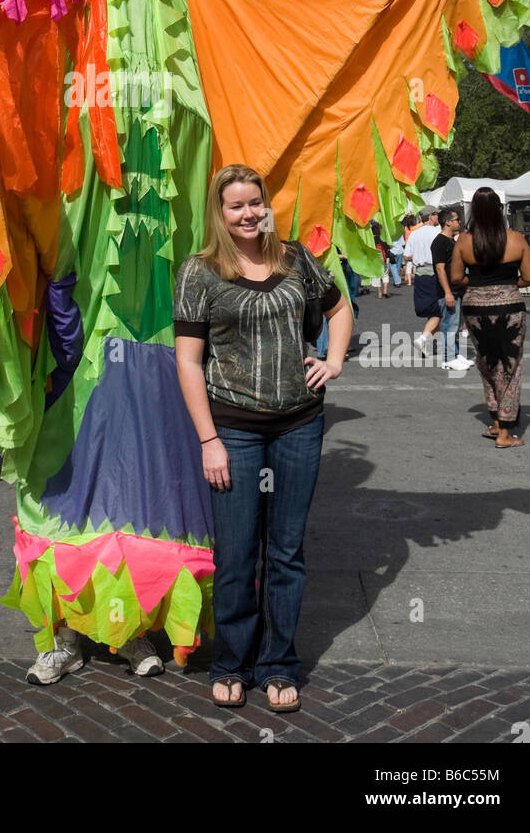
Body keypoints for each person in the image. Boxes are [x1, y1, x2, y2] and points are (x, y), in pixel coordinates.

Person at [174, 164, 353, 711]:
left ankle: (277, 664)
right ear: (219, 212)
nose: (249, 213)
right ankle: (230, 663)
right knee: (236, 554)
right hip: (234, 429)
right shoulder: (199, 272)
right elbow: (187, 361)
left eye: (256, 203)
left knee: (286, 552)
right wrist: (209, 440)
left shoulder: (297, 258)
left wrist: (334, 361)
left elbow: (340, 307)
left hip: (300, 423)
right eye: (237, 206)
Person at [450, 188, 530, 448]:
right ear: (500, 209)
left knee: (487, 364)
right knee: (510, 365)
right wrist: (507, 285)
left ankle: (496, 421)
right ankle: (506, 431)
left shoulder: (463, 241)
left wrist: (476, 285)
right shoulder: (516, 239)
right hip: (510, 306)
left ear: (473, 211)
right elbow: (529, 278)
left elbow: (456, 278)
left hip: (475, 308)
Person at [431, 205, 473, 372]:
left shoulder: (450, 240)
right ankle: (448, 358)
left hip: (457, 289)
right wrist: (447, 292)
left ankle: (455, 354)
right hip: (449, 291)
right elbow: (440, 268)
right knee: (450, 325)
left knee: (455, 325)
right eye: (456, 220)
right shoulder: (440, 242)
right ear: (447, 222)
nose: (459, 222)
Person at [407, 206, 441, 356]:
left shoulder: (414, 234)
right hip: (435, 273)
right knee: (438, 311)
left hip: (420, 274)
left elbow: (407, 256)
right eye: (436, 215)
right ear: (431, 216)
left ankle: (432, 344)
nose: (438, 217)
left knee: (431, 310)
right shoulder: (438, 232)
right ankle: (423, 338)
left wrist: (418, 256)